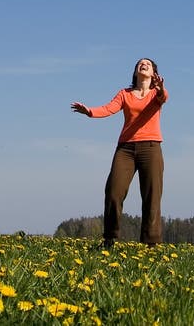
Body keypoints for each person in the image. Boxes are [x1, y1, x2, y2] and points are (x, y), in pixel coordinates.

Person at [72, 58, 168, 247]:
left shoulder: (157, 93)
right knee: (113, 191)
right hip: (125, 149)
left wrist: (161, 88)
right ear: (135, 72)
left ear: (153, 72)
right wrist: (89, 111)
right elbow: (109, 108)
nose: (144, 64)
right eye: (140, 63)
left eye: (148, 64)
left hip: (151, 147)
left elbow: (163, 98)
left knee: (152, 195)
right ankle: (109, 239)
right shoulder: (125, 94)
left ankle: (151, 243)